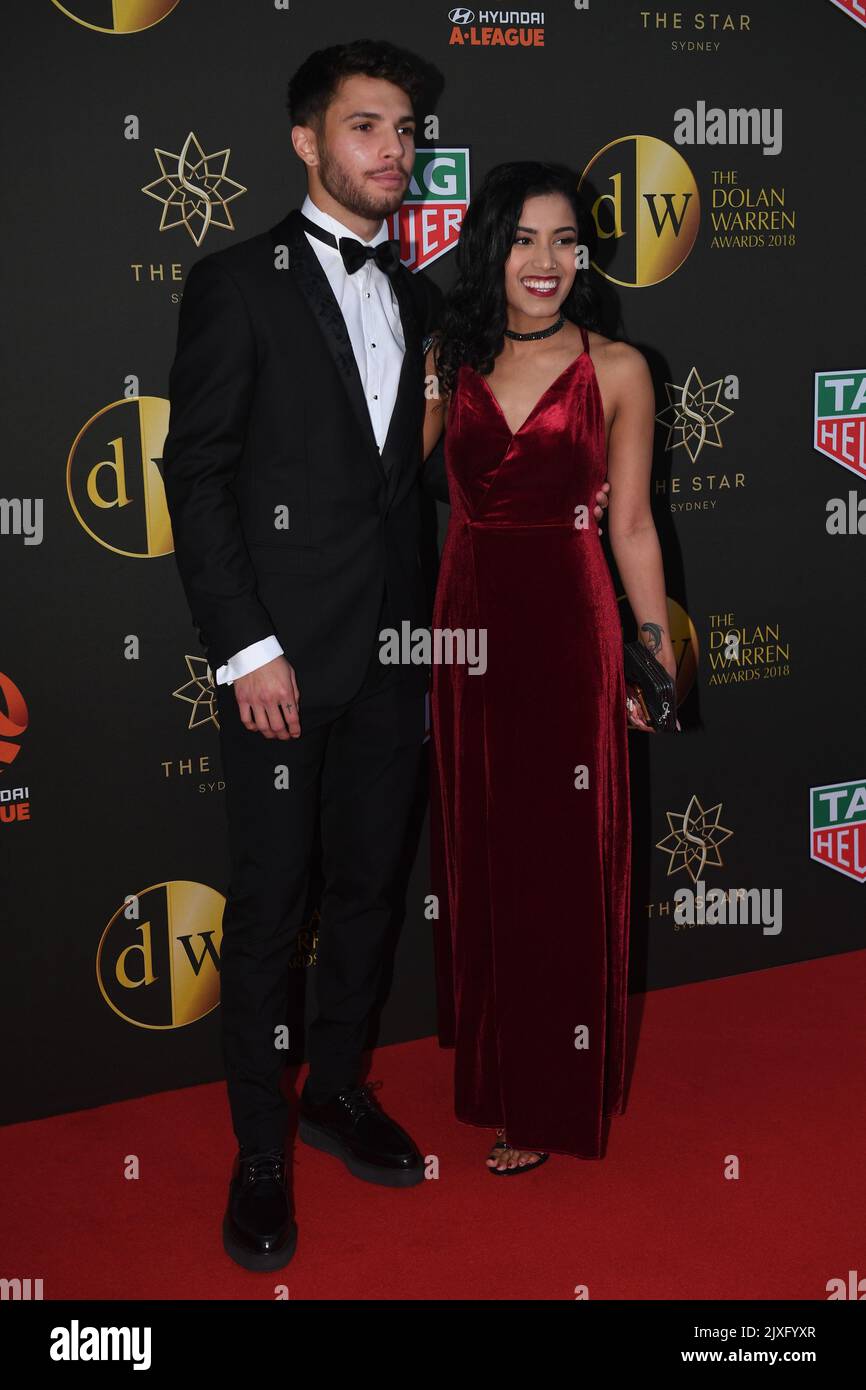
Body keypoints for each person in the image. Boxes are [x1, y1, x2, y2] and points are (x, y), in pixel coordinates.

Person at [162, 40, 454, 1272]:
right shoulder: (237, 282)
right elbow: (197, 471)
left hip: (396, 652)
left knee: (369, 889)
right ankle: (261, 1150)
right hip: (281, 664)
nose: (391, 148)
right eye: (364, 126)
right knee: (271, 907)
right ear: (305, 141)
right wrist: (246, 650)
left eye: (403, 130)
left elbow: (418, 477)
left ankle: (334, 1088)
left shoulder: (426, 295)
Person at [423, 162, 676, 1173]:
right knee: (485, 853)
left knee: (561, 866)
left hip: (570, 628)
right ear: (490, 246)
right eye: (524, 239)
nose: (545, 261)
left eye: (565, 240)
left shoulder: (616, 367)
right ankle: (495, 1074)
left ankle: (548, 1094)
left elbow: (629, 524)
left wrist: (652, 659)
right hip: (468, 621)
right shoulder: (449, 355)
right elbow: (388, 474)